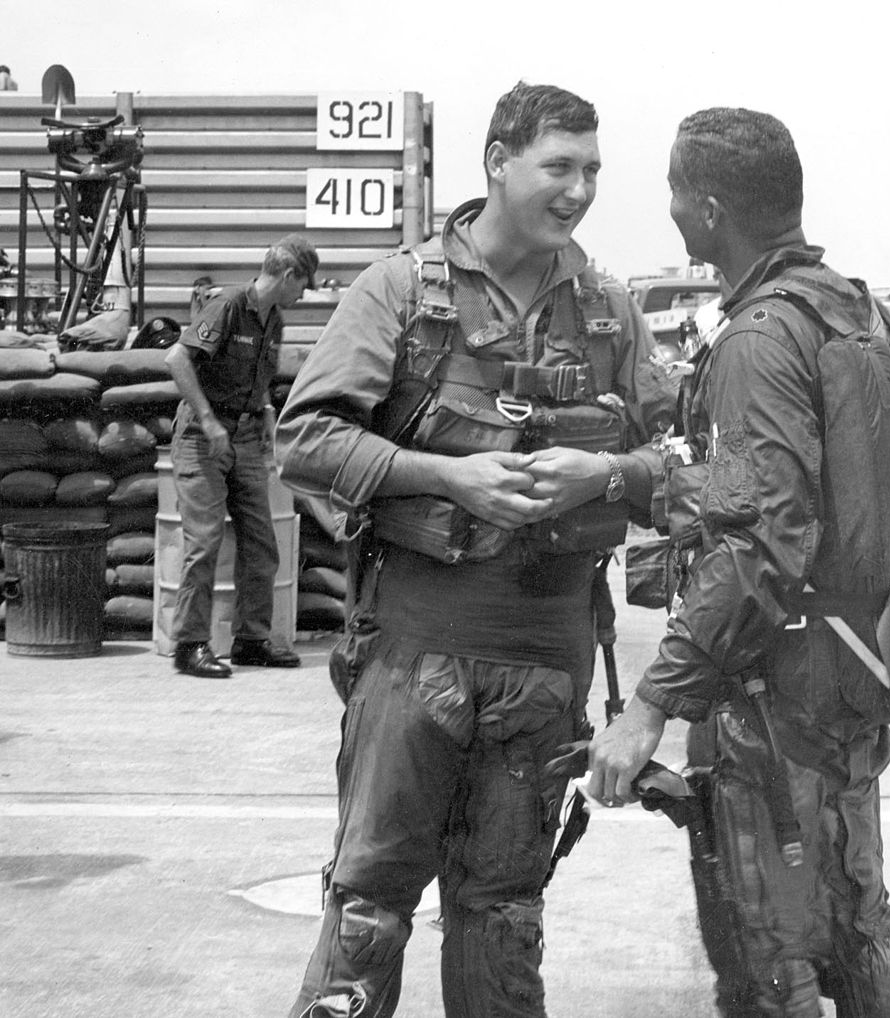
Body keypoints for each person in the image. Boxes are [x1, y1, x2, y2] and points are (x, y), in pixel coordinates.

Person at [275, 82, 675, 1018]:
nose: (578, 190)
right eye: (558, 166)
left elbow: (686, 459)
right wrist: (446, 477)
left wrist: (605, 475)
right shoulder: (403, 292)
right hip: (414, 653)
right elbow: (306, 440)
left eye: (592, 170)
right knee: (369, 907)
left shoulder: (611, 311)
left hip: (545, 665)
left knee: (503, 920)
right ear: (498, 161)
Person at [588, 107, 890, 1018]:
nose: (668, 212)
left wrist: (651, 705)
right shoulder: (852, 308)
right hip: (856, 672)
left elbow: (756, 543)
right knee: (861, 922)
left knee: (771, 954)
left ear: (704, 211)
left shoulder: (755, 341)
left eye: (670, 194)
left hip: (778, 704)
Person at [164, 233, 318, 678]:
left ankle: (252, 640)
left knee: (262, 543)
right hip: (202, 436)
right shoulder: (229, 305)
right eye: (302, 284)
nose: (303, 295)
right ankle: (189, 645)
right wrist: (210, 422)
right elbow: (177, 359)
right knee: (204, 542)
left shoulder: (274, 321)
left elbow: (260, 375)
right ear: (289, 275)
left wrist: (268, 409)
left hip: (247, 436)